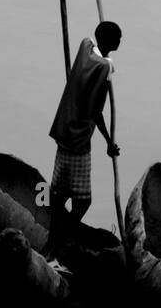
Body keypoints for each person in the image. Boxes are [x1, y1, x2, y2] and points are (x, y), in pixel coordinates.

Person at [48, 22, 121, 232]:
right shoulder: (103, 68)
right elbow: (95, 112)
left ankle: (55, 227)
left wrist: (107, 62)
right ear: (109, 41)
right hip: (78, 140)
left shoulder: (85, 46)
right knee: (83, 201)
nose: (120, 41)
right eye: (117, 38)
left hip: (62, 130)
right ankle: (63, 235)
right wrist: (109, 142)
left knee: (59, 193)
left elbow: (91, 40)